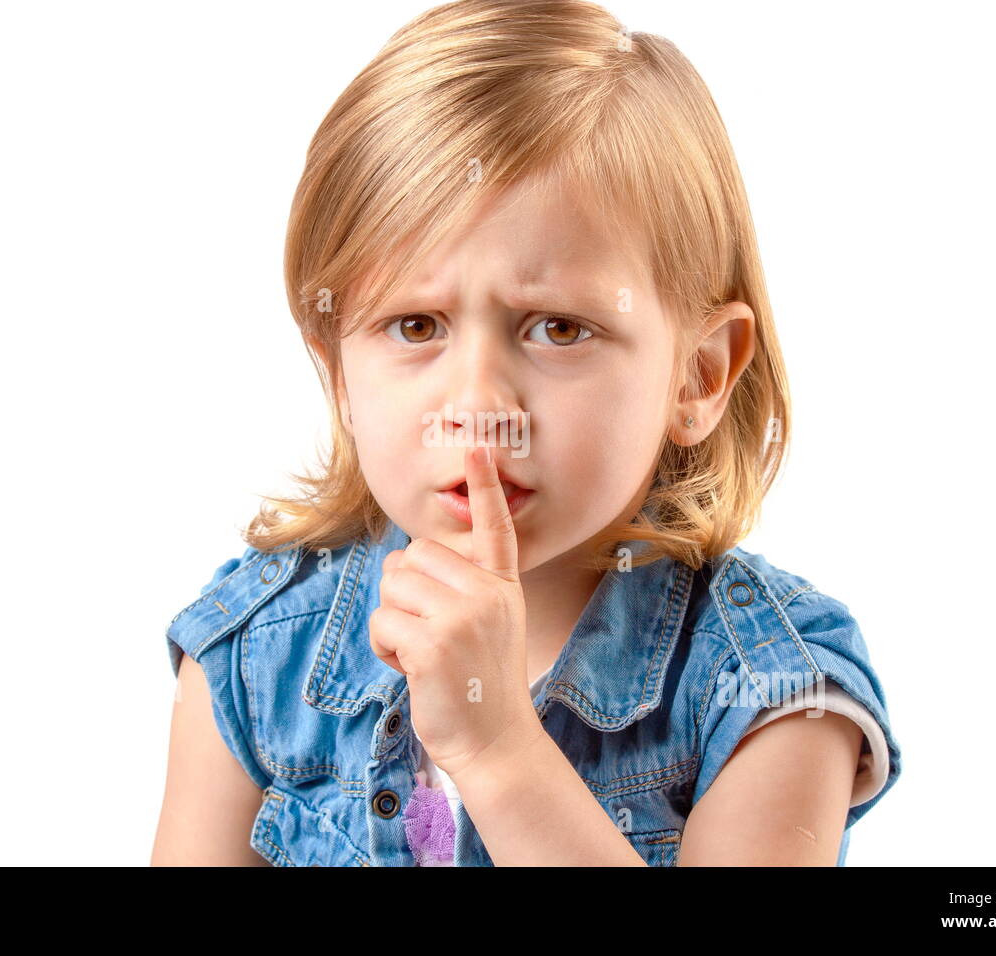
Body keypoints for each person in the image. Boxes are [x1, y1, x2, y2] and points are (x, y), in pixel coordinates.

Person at [151, 0, 902, 867]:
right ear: (339, 374)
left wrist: (500, 750)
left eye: (557, 328)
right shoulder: (255, 655)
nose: (475, 405)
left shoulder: (771, 688)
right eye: (416, 326)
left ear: (696, 375)